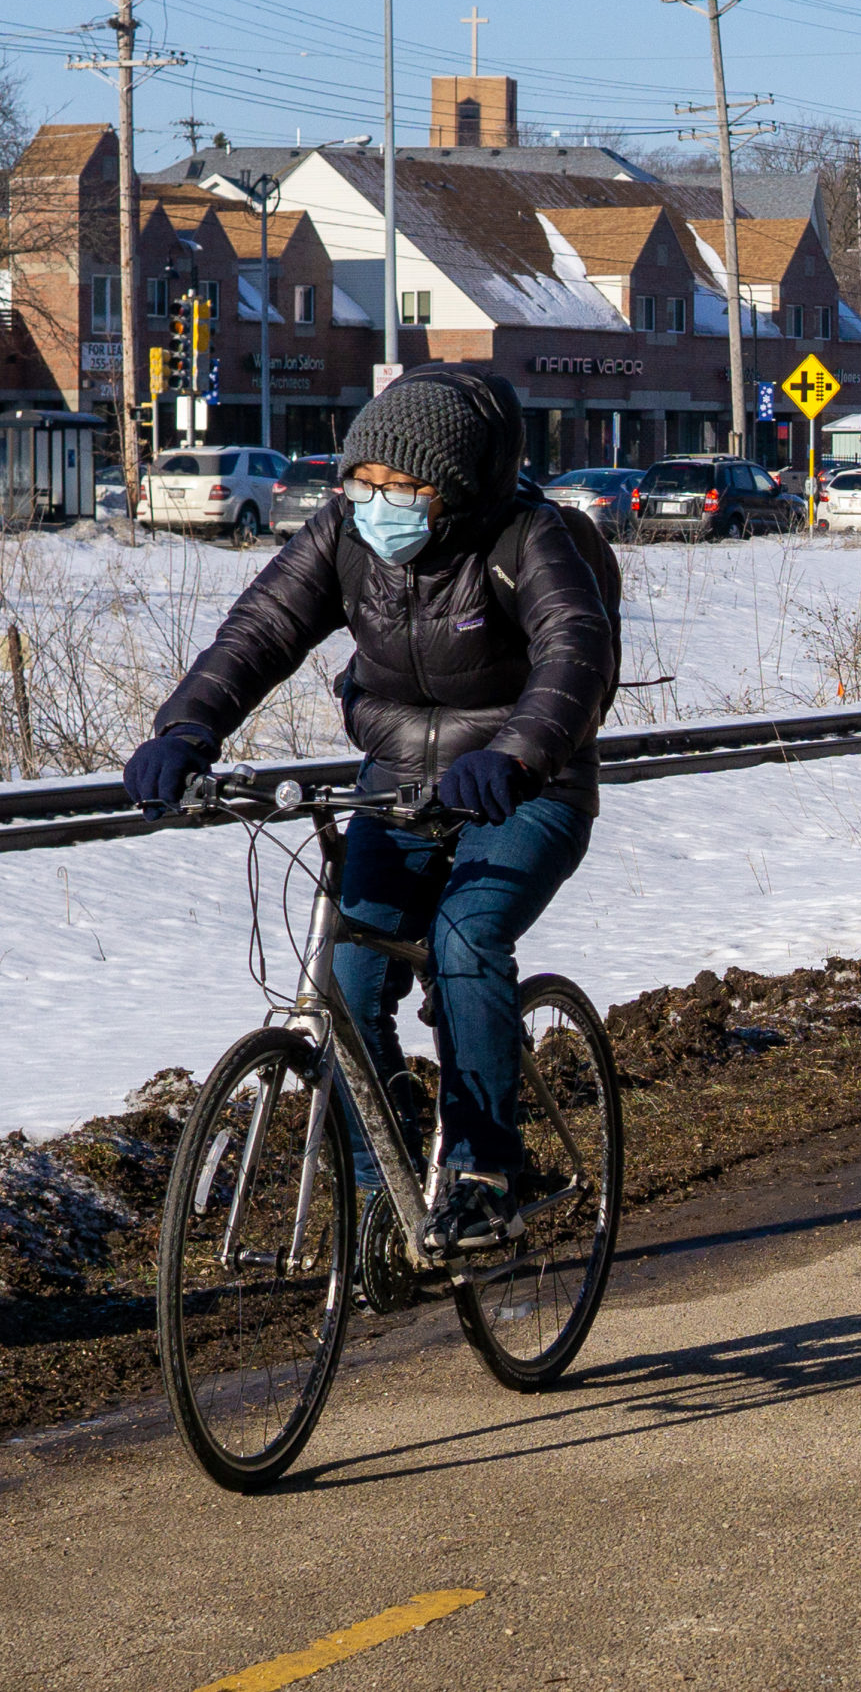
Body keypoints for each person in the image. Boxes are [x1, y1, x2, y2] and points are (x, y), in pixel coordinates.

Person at [123, 365, 612, 1254]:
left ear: (454, 489)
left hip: (525, 787)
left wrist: (514, 756)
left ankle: (482, 1172)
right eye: (364, 481)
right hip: (395, 787)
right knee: (345, 976)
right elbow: (260, 631)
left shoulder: (526, 540)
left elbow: (576, 656)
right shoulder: (345, 533)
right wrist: (188, 730)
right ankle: (380, 1184)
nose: (376, 501)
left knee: (467, 935)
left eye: (403, 487)